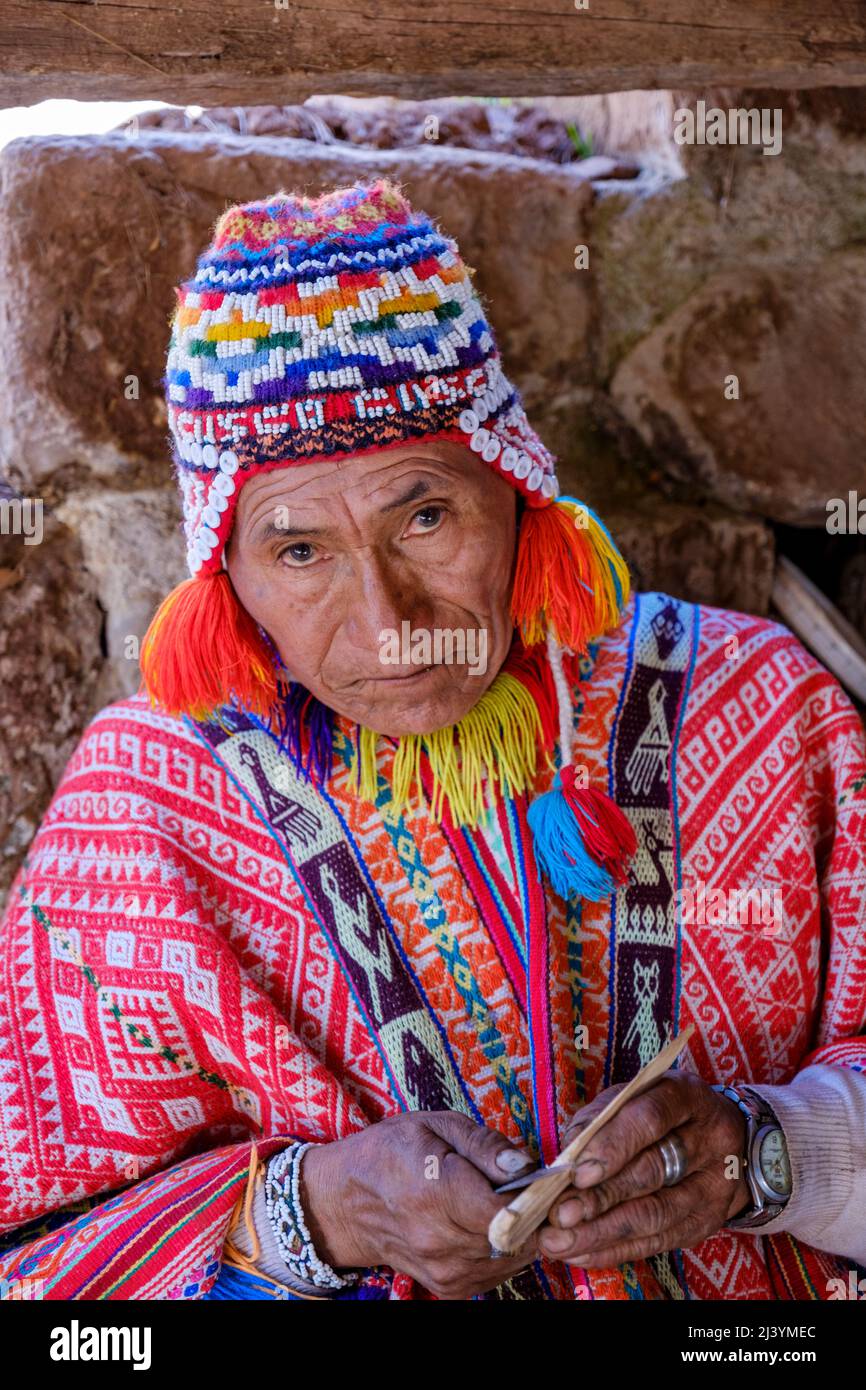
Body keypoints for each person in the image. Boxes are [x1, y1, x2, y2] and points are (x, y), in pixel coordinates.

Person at [0, 178, 863, 1302]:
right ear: (225, 576)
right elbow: (39, 1268)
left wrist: (770, 1151)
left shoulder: (758, 710)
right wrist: (311, 1213)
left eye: (423, 515)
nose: (388, 622)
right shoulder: (148, 813)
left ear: (515, 489)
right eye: (298, 549)